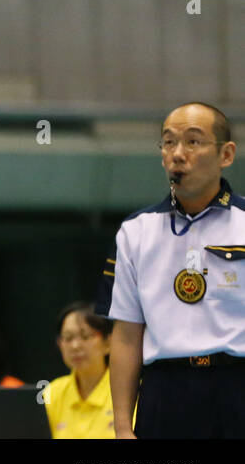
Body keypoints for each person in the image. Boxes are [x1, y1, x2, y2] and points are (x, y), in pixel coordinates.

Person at [97, 101, 245, 439]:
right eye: (169, 142)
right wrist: (122, 427)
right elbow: (125, 336)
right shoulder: (135, 232)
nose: (178, 153)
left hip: (237, 384)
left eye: (193, 141)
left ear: (226, 154)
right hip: (165, 392)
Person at [44, 302, 114, 439]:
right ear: (60, 344)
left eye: (85, 336)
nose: (75, 346)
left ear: (108, 342)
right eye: (68, 338)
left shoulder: (129, 392)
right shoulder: (52, 392)